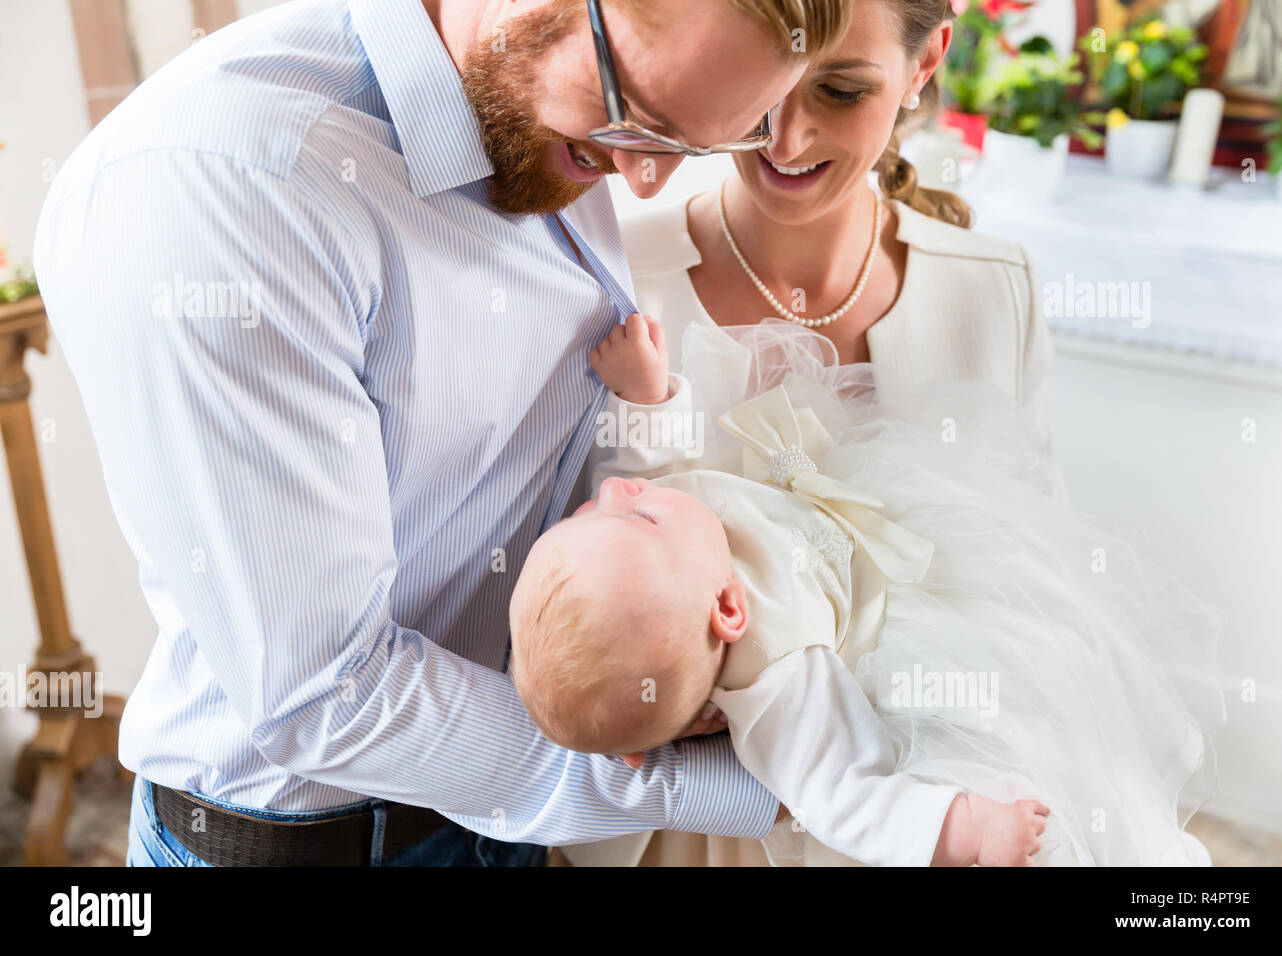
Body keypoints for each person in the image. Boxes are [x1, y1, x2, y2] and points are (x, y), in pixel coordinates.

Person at [32, 0, 855, 866]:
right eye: (636, 114)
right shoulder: (228, 186)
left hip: (506, 818)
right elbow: (328, 695)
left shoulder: (540, 115)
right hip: (320, 844)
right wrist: (781, 778)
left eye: (692, 144)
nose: (641, 178)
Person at [536, 310, 1223, 866]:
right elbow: (841, 795)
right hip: (914, 624)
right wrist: (964, 831)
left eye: (588, 514)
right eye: (638, 513)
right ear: (729, 607)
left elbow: (656, 461)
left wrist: (647, 395)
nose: (619, 490)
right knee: (1058, 733)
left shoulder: (654, 555)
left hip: (883, 518)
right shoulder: (778, 681)